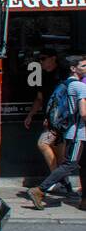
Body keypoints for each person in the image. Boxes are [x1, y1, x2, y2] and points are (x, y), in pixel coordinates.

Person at [29, 55, 86, 210]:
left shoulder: (65, 84)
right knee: (69, 164)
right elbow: (83, 113)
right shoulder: (80, 87)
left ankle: (84, 201)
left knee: (83, 165)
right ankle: (39, 190)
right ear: (73, 69)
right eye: (83, 66)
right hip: (78, 133)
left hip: (76, 132)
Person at [25, 51, 68, 183]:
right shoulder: (43, 76)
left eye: (43, 58)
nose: (41, 62)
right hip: (51, 119)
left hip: (61, 119)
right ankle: (63, 183)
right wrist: (30, 115)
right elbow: (40, 98)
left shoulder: (63, 75)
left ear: (53, 58)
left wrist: (53, 117)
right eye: (39, 59)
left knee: (43, 144)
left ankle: (55, 181)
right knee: (59, 153)